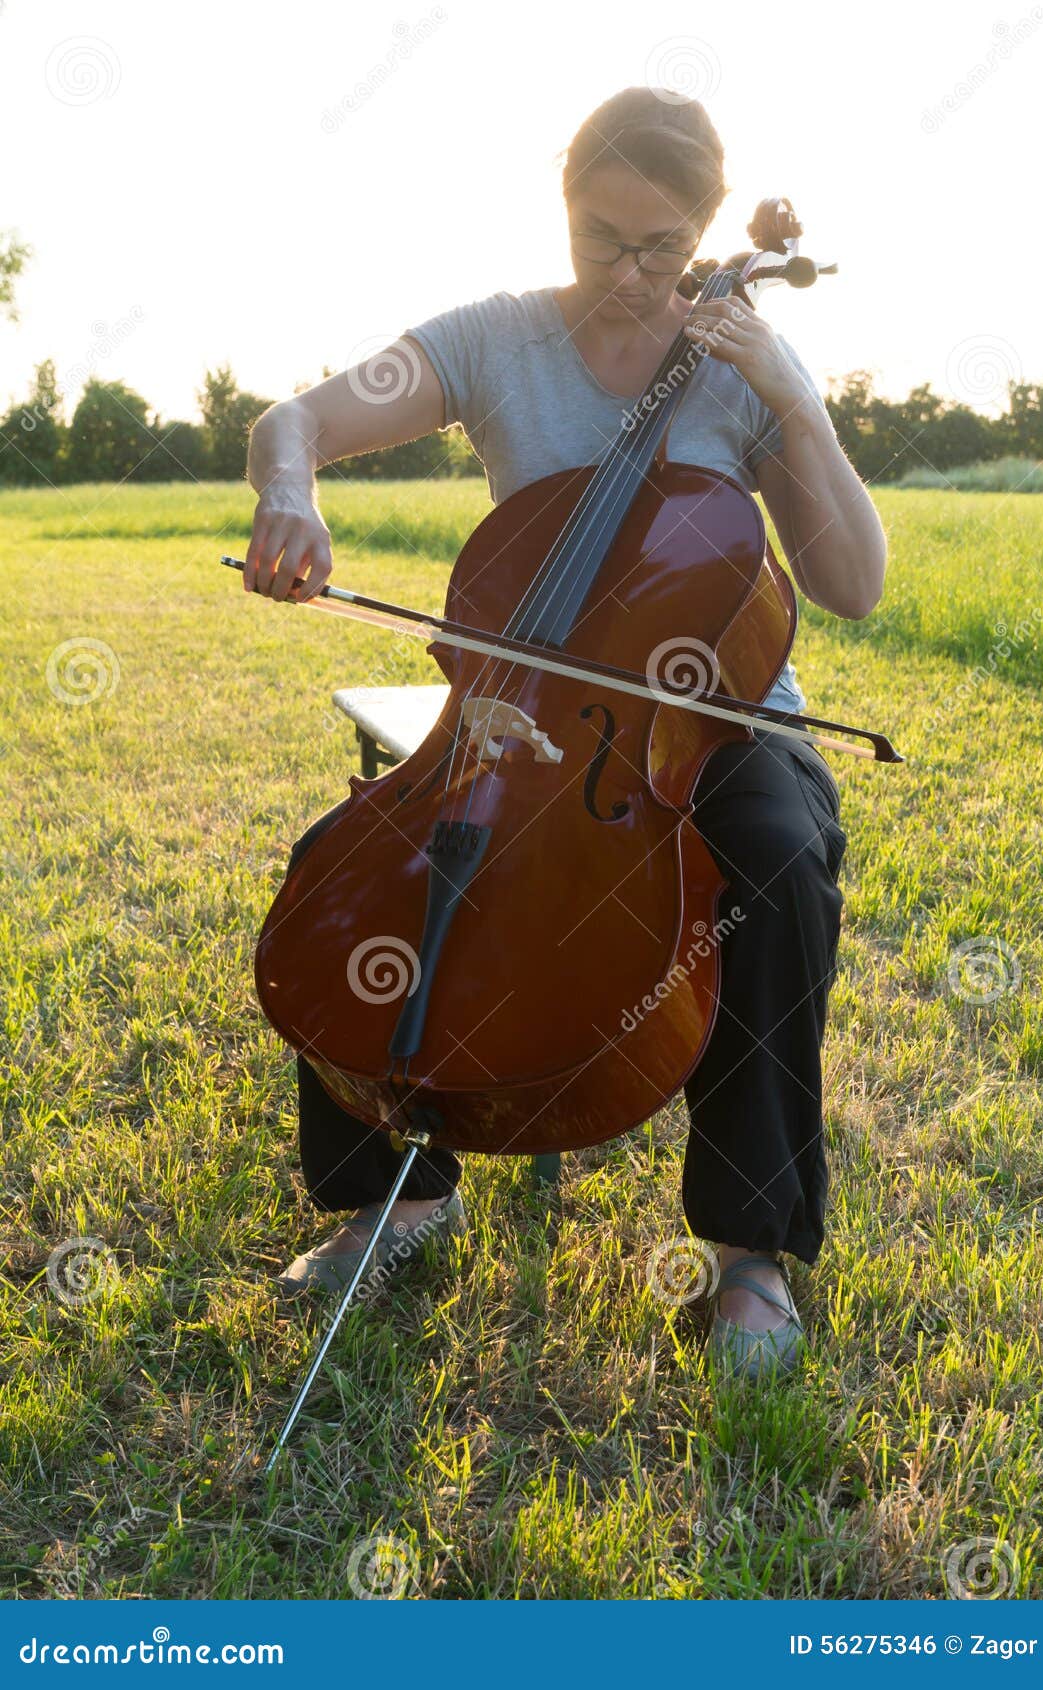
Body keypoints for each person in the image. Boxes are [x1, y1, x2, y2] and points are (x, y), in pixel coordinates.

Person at [243, 86, 887, 1379]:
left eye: (663, 247)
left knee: (776, 854)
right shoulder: (495, 339)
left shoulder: (749, 362)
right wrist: (292, 498)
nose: (634, 274)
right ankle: (400, 1191)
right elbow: (294, 420)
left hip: (716, 713)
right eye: (604, 240)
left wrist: (799, 409)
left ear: (706, 231)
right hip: (517, 708)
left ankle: (749, 1254)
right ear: (564, 210)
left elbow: (854, 584)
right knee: (348, 860)